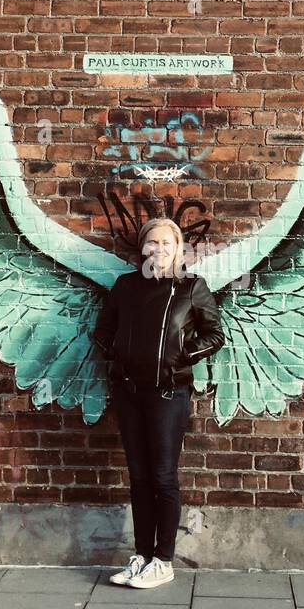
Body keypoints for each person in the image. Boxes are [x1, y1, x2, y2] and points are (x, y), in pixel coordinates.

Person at [91, 217, 225, 589]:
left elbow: (215, 334)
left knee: (163, 476)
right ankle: (141, 555)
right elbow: (102, 331)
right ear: (143, 247)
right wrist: (118, 354)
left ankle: (163, 560)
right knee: (139, 477)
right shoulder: (126, 286)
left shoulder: (191, 287)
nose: (159, 250)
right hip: (130, 392)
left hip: (168, 393)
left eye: (167, 243)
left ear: (178, 248)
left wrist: (181, 355)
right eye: (153, 243)